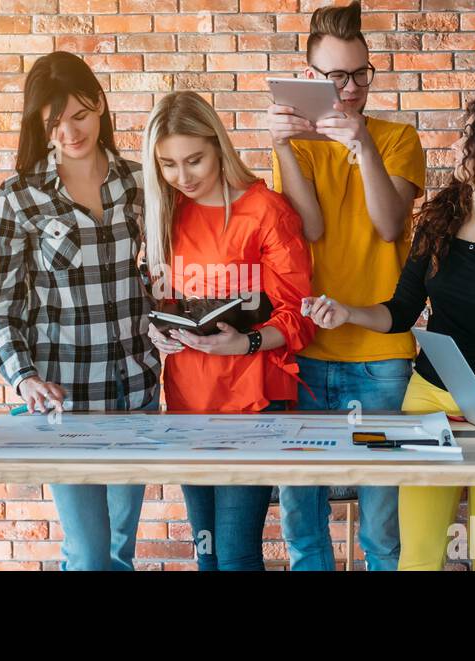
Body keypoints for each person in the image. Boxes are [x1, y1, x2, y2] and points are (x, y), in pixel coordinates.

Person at [305, 97, 475, 570]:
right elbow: (400, 311)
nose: (456, 146)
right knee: (421, 557)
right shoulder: (439, 220)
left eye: (468, 137)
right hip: (429, 400)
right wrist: (345, 312)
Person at [0, 52, 161, 571]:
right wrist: (23, 378)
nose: (69, 133)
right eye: (53, 124)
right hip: (66, 404)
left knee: (118, 552)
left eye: (79, 116)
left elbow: (163, 278)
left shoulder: (140, 183)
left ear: (100, 104)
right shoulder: (20, 198)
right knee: (88, 554)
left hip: (137, 394)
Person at [266, 0, 428, 571]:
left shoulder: (397, 138)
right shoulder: (297, 146)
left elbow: (389, 225)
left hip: (382, 355)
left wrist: (361, 146)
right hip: (306, 349)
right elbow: (310, 228)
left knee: (383, 533)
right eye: (337, 77)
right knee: (303, 527)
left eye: (362, 73)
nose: (352, 87)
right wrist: (284, 146)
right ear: (310, 79)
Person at [143, 91, 315, 570]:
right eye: (169, 165)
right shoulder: (166, 213)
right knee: (208, 551)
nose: (183, 177)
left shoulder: (266, 211)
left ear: (219, 146)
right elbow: (165, 301)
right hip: (187, 400)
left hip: (252, 402)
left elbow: (299, 316)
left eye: (194, 160)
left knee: (237, 553)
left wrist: (247, 341)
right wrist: (161, 331)